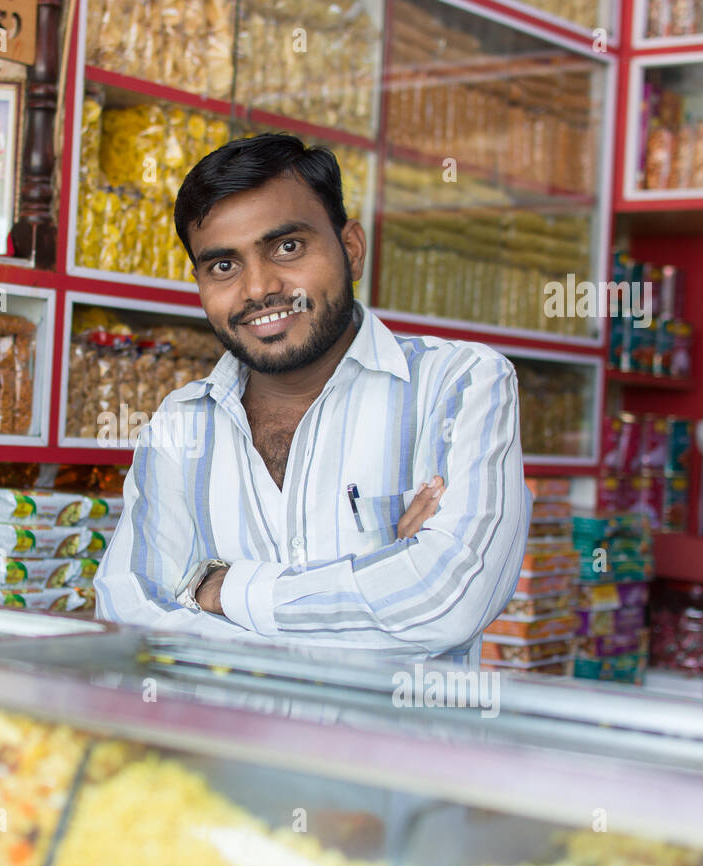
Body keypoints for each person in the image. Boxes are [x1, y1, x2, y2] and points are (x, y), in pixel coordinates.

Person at [94, 134, 530, 663]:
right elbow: (127, 612)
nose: (258, 289)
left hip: (397, 747)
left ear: (351, 249)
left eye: (287, 247)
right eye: (224, 266)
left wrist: (222, 590)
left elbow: (447, 600)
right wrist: (387, 578)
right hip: (231, 746)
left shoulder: (458, 384)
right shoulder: (182, 421)